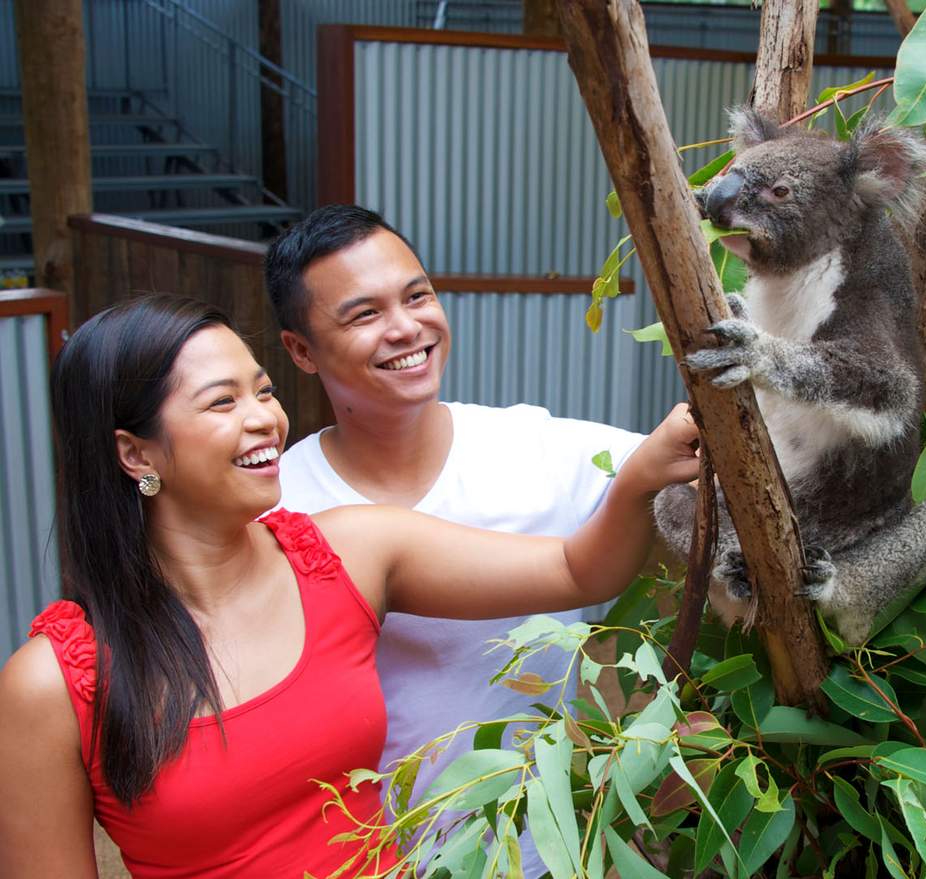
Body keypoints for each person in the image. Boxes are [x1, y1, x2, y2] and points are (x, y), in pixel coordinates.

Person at [0, 294, 698, 878]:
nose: (265, 419)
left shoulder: (349, 551)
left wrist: (641, 472)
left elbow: (578, 569)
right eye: (222, 402)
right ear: (136, 452)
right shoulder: (55, 684)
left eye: (264, 390)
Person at [264, 205, 652, 861]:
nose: (406, 327)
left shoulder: (538, 447)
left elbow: (693, 474)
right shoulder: (278, 507)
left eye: (417, 296)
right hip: (368, 852)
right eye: (364, 314)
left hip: (549, 849)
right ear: (301, 350)